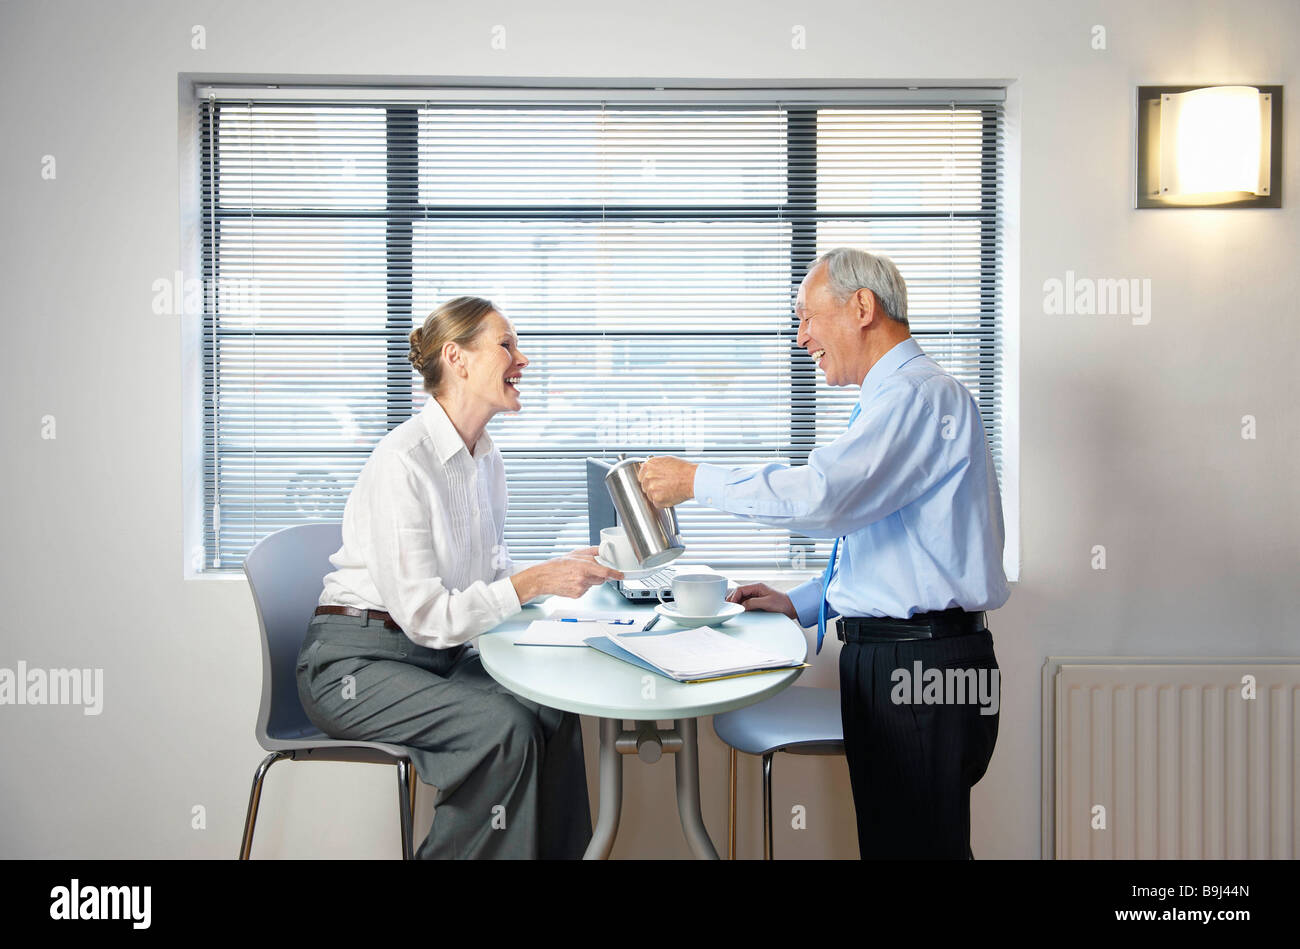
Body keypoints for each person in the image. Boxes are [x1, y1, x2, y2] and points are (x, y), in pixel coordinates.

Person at [637, 248, 1010, 859]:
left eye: (807, 317)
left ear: (862, 307)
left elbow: (825, 497)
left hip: (918, 663)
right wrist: (804, 600)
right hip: (903, 657)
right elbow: (884, 535)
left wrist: (694, 482)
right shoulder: (896, 401)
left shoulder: (917, 398)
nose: (801, 337)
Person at [296, 295, 622, 859]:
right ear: (458, 358)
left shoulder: (486, 460)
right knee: (503, 730)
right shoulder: (403, 461)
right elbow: (425, 615)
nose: (523, 359)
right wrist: (532, 583)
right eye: (507, 345)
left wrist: (558, 573)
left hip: (435, 658)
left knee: (553, 705)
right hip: (354, 664)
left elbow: (487, 579)